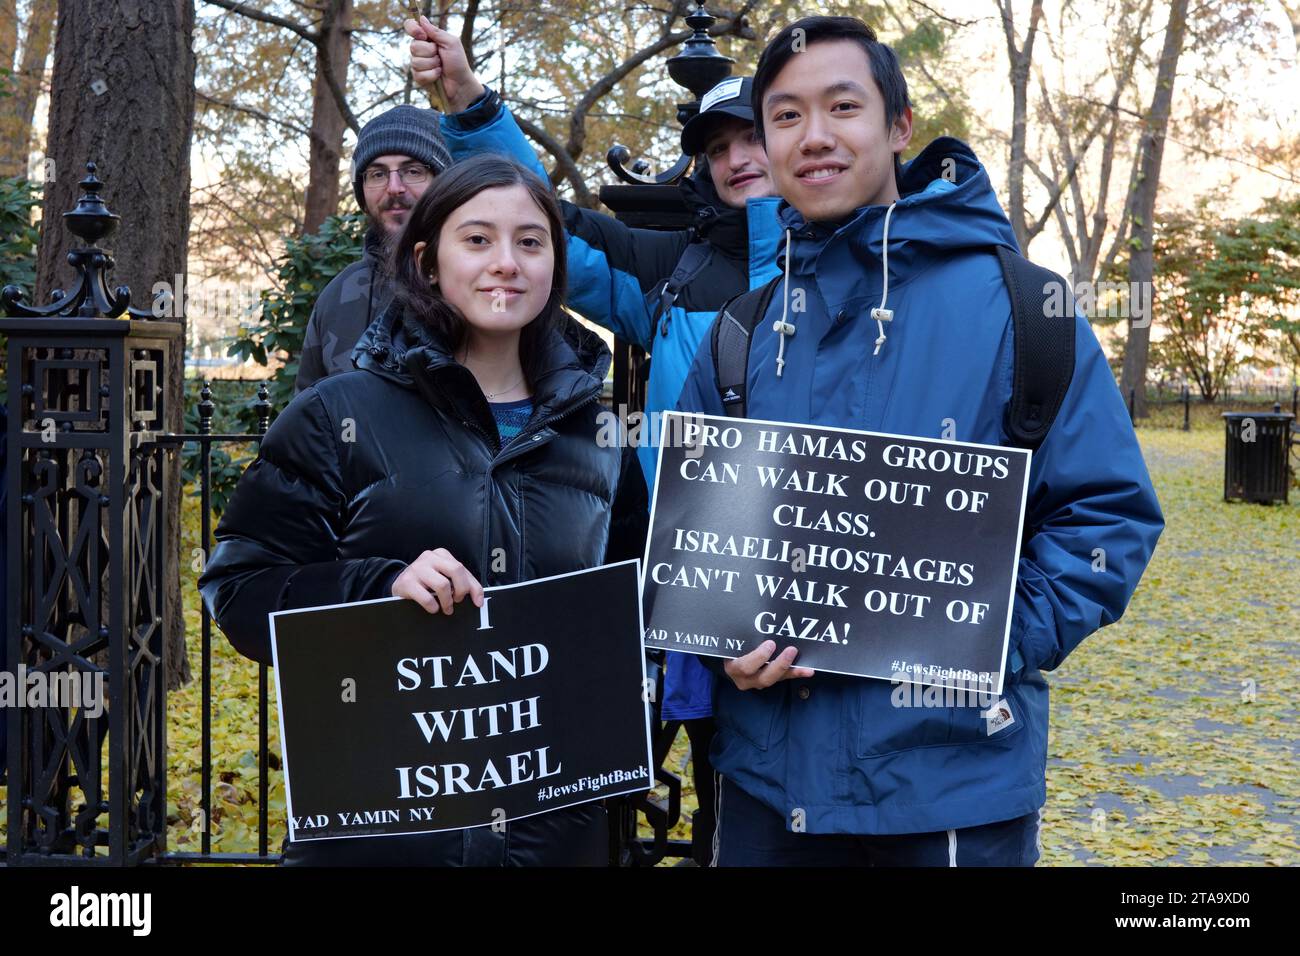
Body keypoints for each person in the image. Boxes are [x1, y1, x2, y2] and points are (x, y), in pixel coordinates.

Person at [675, 16, 1165, 866]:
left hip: (951, 799)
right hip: (762, 793)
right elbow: (693, 546)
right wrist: (720, 652)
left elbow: (1107, 517)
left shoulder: (1024, 309)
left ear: (899, 127)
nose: (814, 137)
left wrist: (980, 637)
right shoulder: (740, 335)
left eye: (842, 106)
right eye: (785, 116)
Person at [405, 16, 783, 862]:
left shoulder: (859, 269)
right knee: (592, 800)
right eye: (717, 145)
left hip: (806, 597)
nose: (737, 157)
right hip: (676, 587)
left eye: (756, 131)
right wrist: (468, 104)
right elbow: (540, 225)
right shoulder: (669, 268)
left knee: (763, 823)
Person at [199, 155, 637, 866]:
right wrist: (377, 587)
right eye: (478, 240)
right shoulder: (338, 414)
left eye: (530, 242)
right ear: (430, 262)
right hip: (383, 834)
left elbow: (632, 614)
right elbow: (240, 590)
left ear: (555, 264)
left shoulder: (601, 432)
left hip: (553, 836)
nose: (507, 263)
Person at [294, 104, 452, 392]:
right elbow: (307, 425)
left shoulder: (481, 286)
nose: (394, 188)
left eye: (413, 170)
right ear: (362, 194)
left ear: (445, 185)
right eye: (377, 174)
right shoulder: (336, 297)